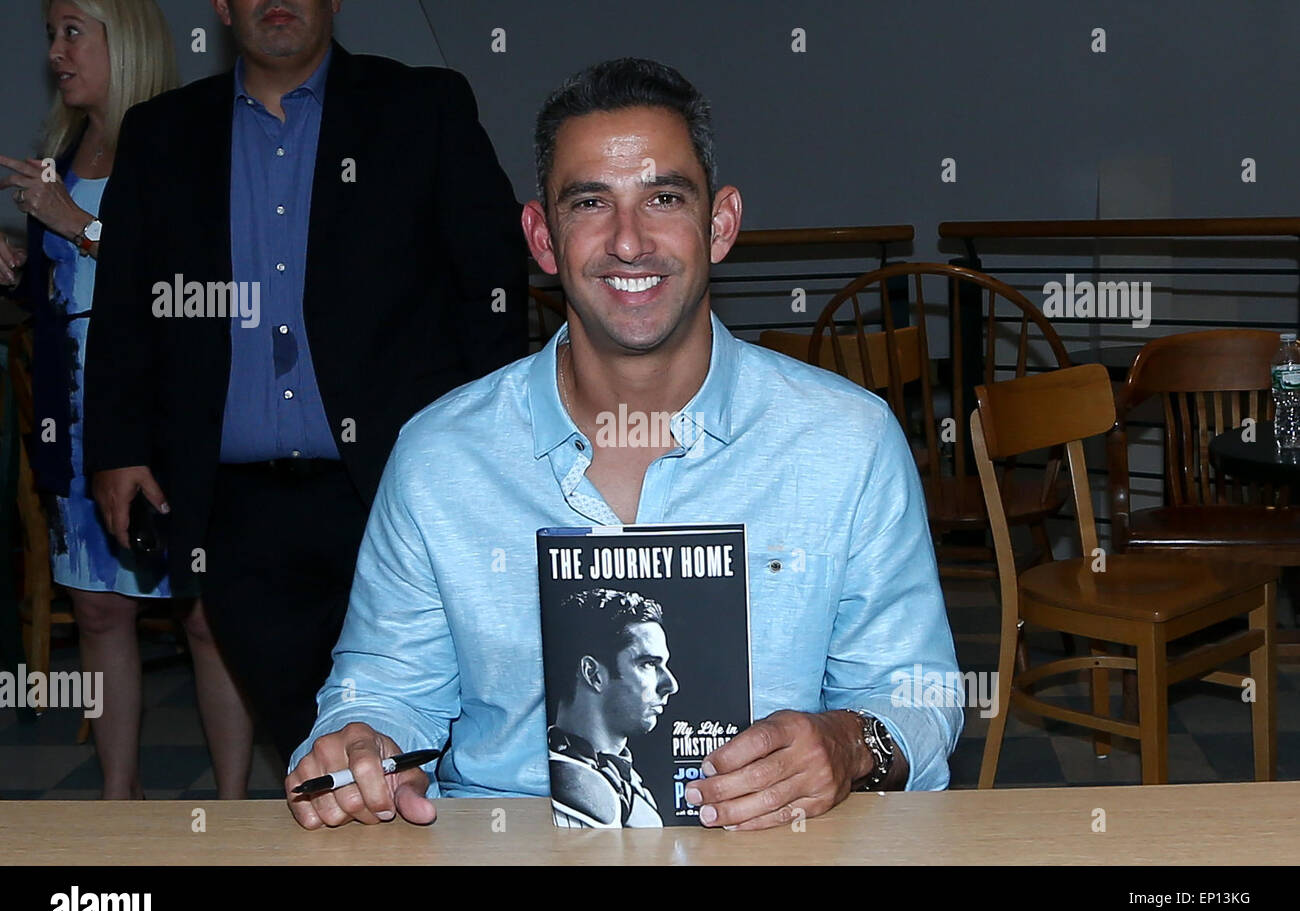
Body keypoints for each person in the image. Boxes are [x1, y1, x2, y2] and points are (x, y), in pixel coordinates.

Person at [286, 57, 963, 831]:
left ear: (720, 224)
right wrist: (361, 745)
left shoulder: (847, 442)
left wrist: (845, 746)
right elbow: (385, 686)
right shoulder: (440, 457)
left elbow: (917, 692)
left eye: (665, 198)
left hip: (768, 847)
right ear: (541, 239)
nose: (629, 241)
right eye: (590, 203)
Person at [82, 0, 529, 762]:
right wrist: (117, 446)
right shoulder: (164, 133)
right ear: (222, 6)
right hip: (237, 506)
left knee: (431, 727)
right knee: (302, 739)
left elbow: (491, 288)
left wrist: (489, 448)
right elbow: (125, 305)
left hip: (400, 493)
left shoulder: (423, 108)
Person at [0, 0, 253, 799]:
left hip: (166, 411)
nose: (56, 52)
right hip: (75, 411)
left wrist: (74, 223)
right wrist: (19, 251)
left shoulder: (183, 141)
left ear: (126, 41)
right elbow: (71, 280)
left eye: (73, 31)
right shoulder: (62, 148)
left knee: (205, 618)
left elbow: (195, 278)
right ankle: (119, 799)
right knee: (100, 612)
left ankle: (232, 797)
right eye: (50, 35)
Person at [545, 588, 677, 828]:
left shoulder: (633, 788)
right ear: (593, 674)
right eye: (648, 664)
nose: (671, 685)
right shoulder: (553, 782)